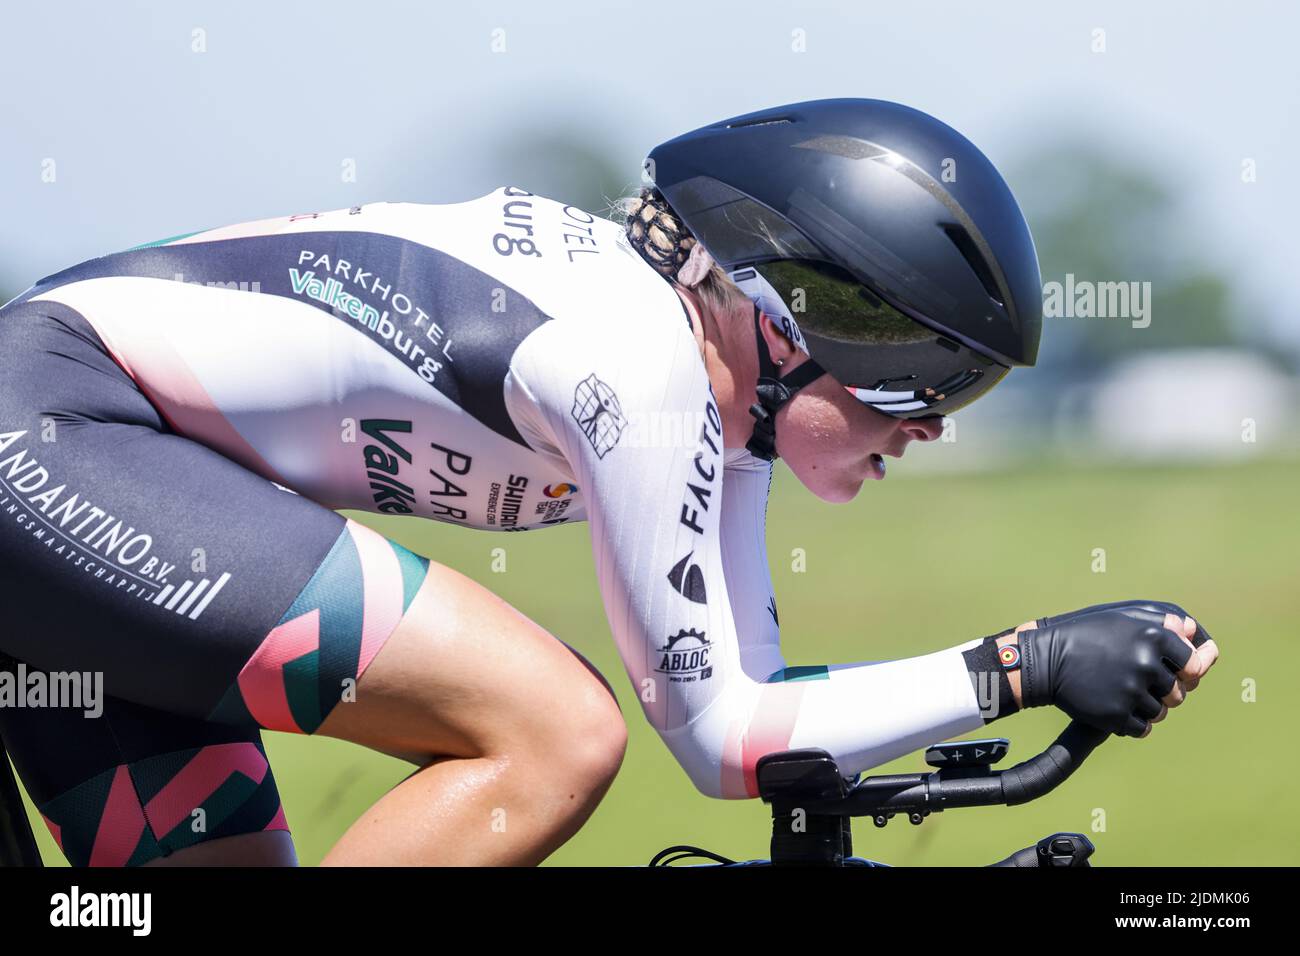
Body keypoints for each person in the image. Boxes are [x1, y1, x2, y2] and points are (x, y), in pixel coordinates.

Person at [0, 99, 1216, 867]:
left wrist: (1021, 677)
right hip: (58, 430)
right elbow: (719, 742)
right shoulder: (634, 356)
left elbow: (754, 712)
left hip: (101, 507)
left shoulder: (716, 385)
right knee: (554, 728)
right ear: (791, 317)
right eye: (921, 378)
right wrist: (1022, 664)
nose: (934, 427)